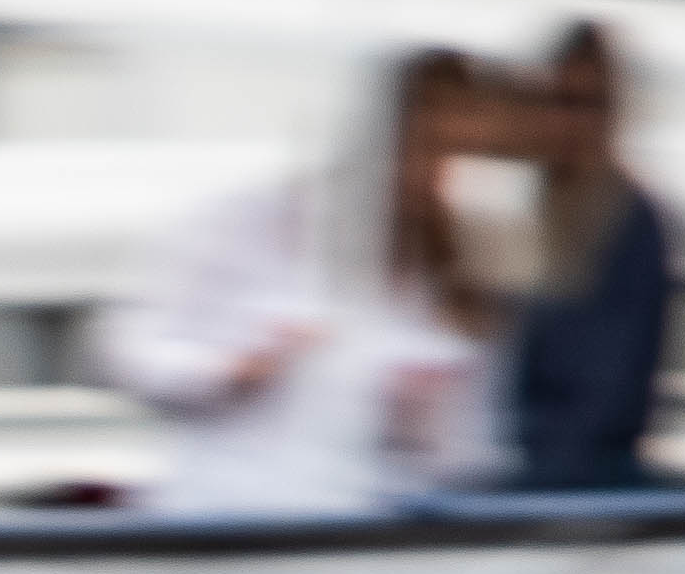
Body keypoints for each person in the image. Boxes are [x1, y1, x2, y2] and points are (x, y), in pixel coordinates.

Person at [100, 48, 506, 515]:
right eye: (430, 145)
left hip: (366, 540)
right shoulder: (254, 220)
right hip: (227, 522)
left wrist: (423, 422)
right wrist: (232, 371)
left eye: (463, 153)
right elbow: (131, 351)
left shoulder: (457, 273)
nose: (440, 174)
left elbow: (465, 456)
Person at [501, 23, 675, 493]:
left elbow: (608, 391)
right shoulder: (527, 204)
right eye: (558, 101)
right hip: (520, 467)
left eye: (587, 104)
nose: (570, 122)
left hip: (575, 481)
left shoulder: (631, 219)